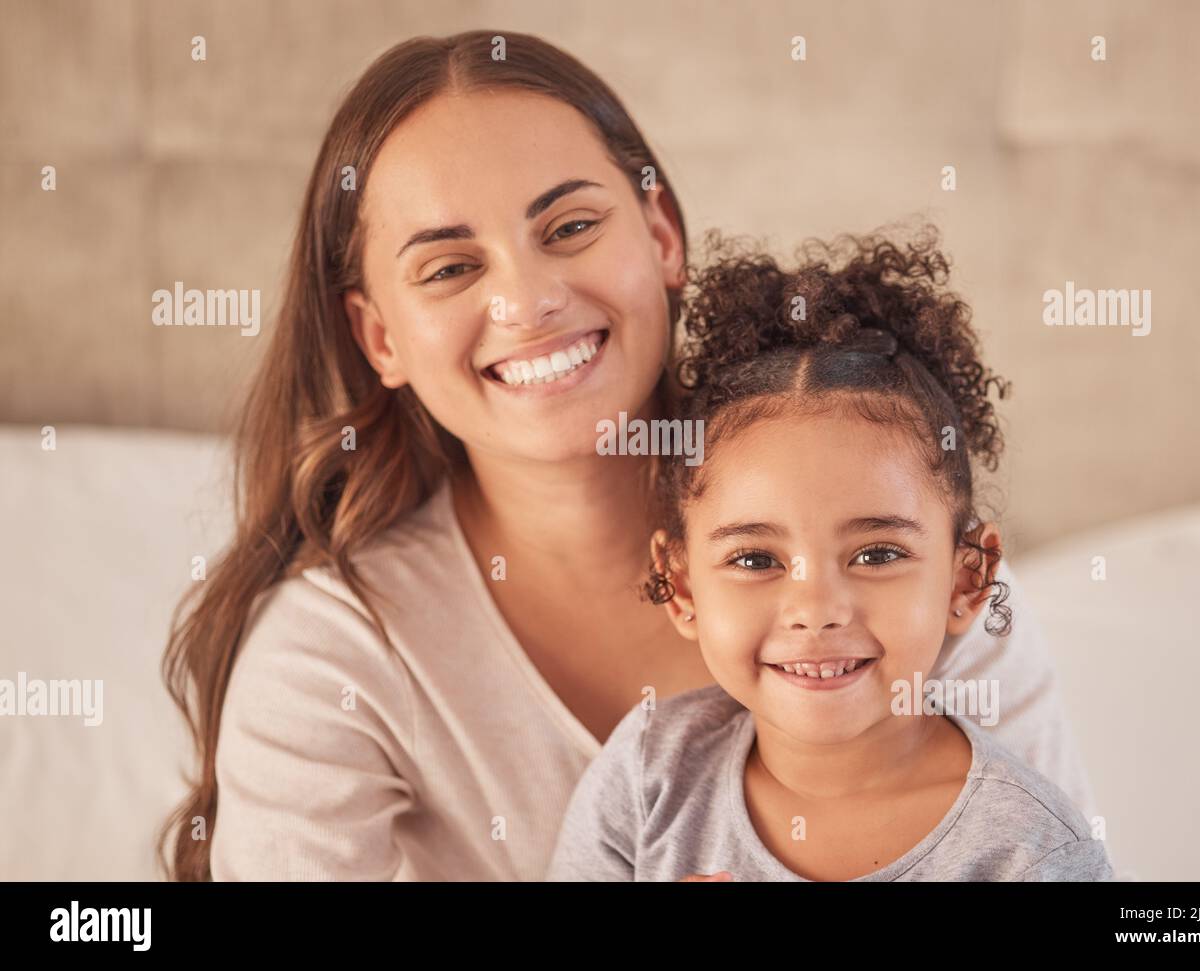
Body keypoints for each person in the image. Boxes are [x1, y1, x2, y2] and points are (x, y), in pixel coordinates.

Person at [159, 30, 1099, 881]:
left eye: (569, 227)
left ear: (660, 237)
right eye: (450, 266)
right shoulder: (336, 660)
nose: (527, 301)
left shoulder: (921, 576)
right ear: (380, 338)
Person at [545, 229, 1113, 881]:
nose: (814, 609)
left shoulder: (1030, 853)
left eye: (875, 554)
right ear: (681, 585)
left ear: (968, 577)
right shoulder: (648, 778)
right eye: (756, 560)